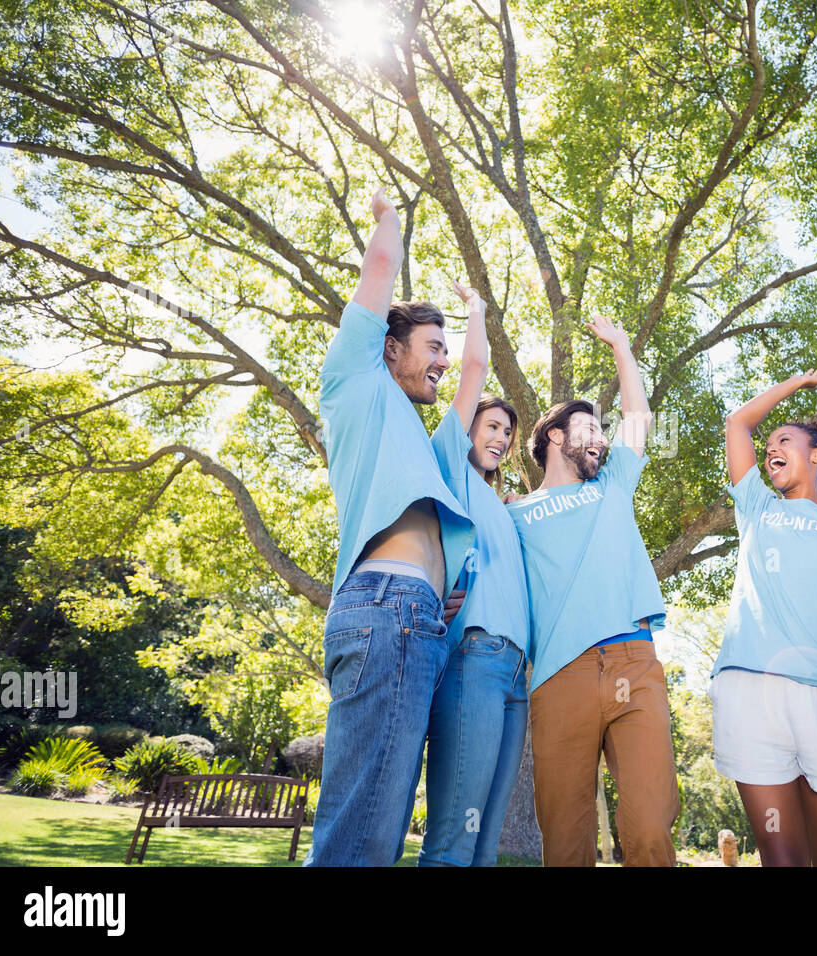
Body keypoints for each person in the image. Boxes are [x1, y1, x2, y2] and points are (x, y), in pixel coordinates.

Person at [305, 187, 475, 867]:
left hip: (411, 616)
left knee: (374, 827)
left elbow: (472, 378)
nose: (441, 360)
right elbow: (380, 268)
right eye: (433, 347)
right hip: (388, 610)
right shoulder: (354, 377)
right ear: (388, 347)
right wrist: (389, 215)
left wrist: (440, 590)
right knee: (363, 833)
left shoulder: (409, 427)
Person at [506, 314, 680, 866]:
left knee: (650, 827)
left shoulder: (612, 488)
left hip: (633, 659)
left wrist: (622, 346)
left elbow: (638, 415)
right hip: (560, 677)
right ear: (555, 435)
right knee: (565, 842)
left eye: (603, 431)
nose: (601, 438)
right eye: (589, 428)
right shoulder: (515, 517)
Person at [713, 367, 817, 866]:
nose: (769, 449)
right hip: (751, 693)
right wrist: (797, 384)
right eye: (769, 445)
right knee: (782, 861)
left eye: (785, 440)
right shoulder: (757, 507)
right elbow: (738, 425)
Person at [418, 277, 531, 866]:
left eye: (507, 433)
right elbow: (475, 370)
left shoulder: (502, 505)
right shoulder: (449, 469)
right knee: (453, 844)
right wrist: (477, 311)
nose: (501, 438)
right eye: (491, 426)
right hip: (475, 659)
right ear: (466, 430)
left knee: (485, 845)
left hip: (517, 673)